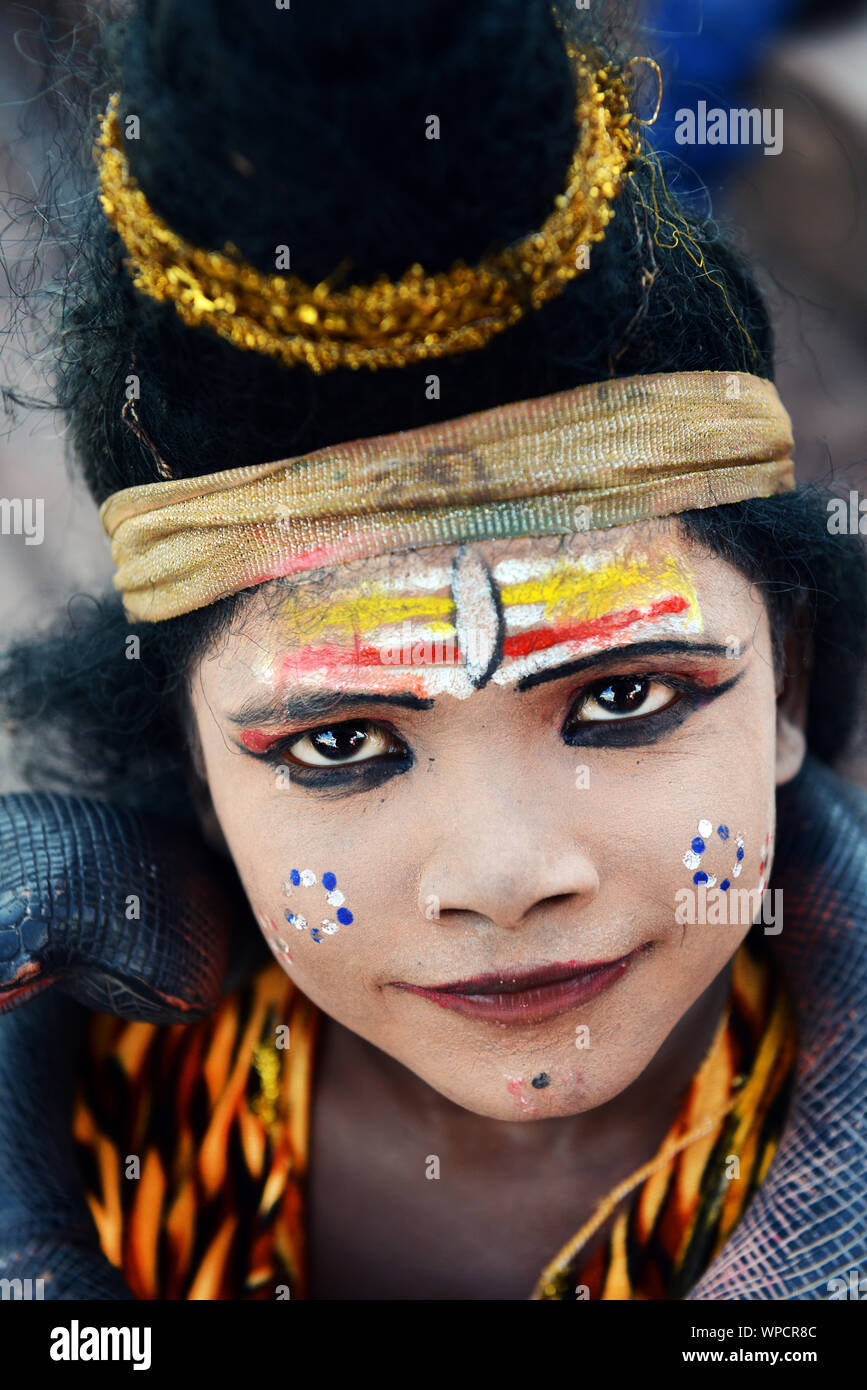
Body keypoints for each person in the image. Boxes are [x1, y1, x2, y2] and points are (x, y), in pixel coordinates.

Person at [0, 0, 865, 1301]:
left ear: (788, 678)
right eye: (341, 741)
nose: (505, 875)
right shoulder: (84, 1108)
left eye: (622, 695)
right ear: (188, 762)